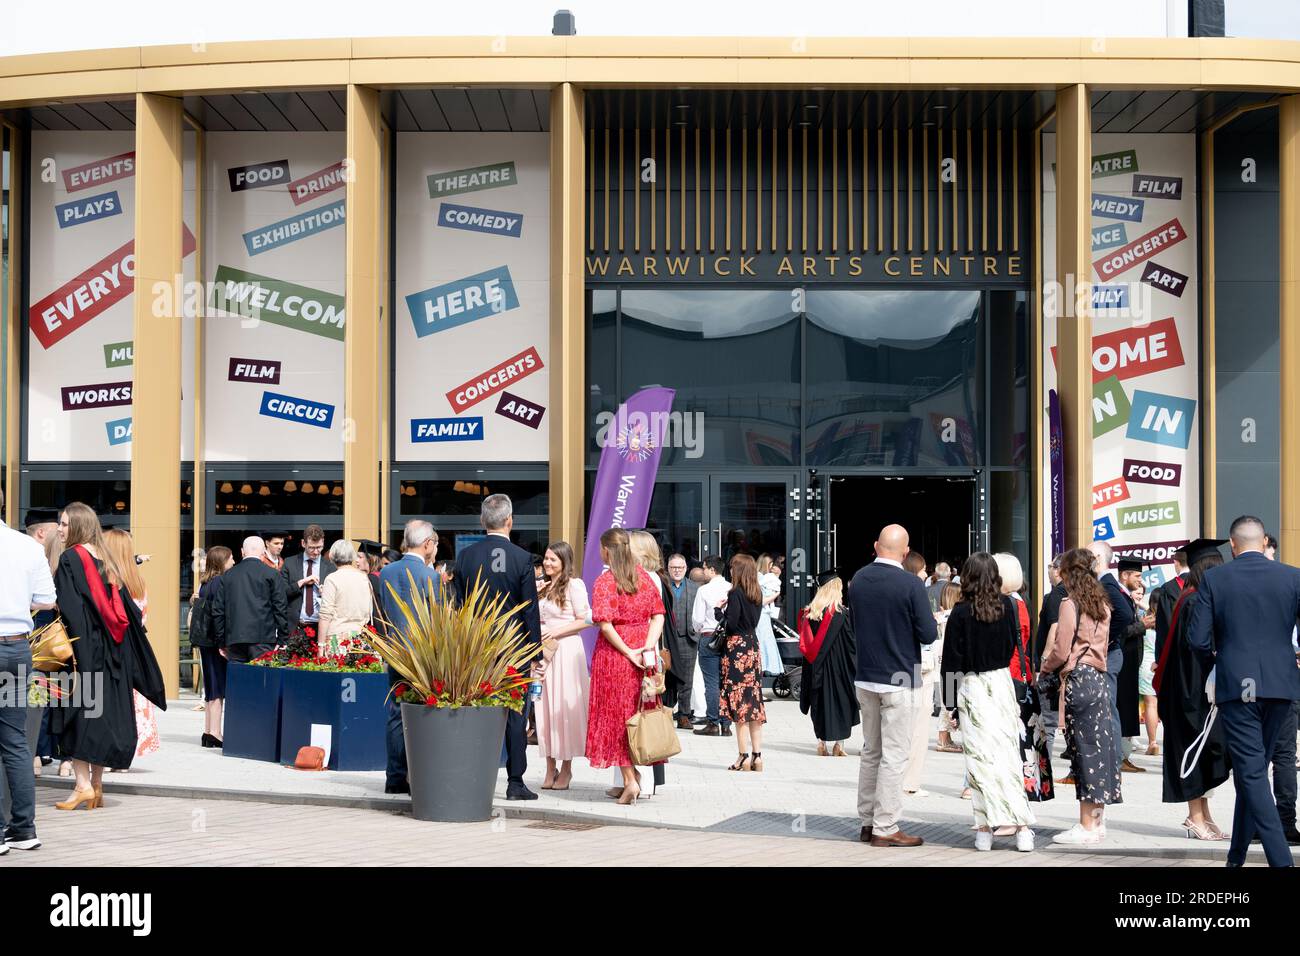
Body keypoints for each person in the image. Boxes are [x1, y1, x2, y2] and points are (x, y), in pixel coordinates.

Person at [1187, 516, 1300, 867]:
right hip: (1281, 684)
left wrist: (1218, 663)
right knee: (1256, 770)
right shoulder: (1293, 576)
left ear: (1233, 545)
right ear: (1264, 542)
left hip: (1238, 684)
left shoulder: (1216, 578)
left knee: (1251, 774)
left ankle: (1281, 861)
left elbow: (1197, 639)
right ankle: (1235, 857)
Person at [49, 502, 167, 812]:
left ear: (77, 526)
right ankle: (97, 785)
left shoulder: (71, 559)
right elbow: (127, 611)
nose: (59, 529)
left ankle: (82, 786)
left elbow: (71, 610)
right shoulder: (107, 559)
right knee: (100, 717)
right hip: (114, 654)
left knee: (78, 716)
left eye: (64, 524)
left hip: (84, 652)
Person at [848, 524, 937, 848]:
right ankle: (885, 825)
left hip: (866, 675)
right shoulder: (911, 584)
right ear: (905, 551)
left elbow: (855, 624)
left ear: (876, 546)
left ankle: (867, 821)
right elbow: (928, 633)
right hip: (900, 677)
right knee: (895, 755)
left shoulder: (858, 579)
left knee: (871, 751)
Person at [939, 553, 1035, 851]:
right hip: (1001, 683)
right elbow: (1013, 647)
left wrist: (950, 703)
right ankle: (1023, 829)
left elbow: (951, 662)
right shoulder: (1007, 606)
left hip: (972, 687)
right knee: (1009, 757)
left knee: (979, 761)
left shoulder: (960, 613)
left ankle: (984, 830)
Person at [453, 495, 542, 801]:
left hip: (476, 648)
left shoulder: (466, 557)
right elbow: (530, 610)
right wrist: (535, 653)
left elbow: (458, 607)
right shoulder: (521, 558)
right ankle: (515, 781)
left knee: (475, 708)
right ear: (510, 521)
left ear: (482, 521)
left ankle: (472, 775)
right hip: (514, 648)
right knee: (516, 713)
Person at [1152, 538, 1230, 840]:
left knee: (1205, 752)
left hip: (1193, 687)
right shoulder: (1194, 601)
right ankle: (1195, 817)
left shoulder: (1193, 597)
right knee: (1194, 750)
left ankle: (1203, 815)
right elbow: (1194, 652)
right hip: (1191, 691)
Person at [1040, 547, 1120, 845]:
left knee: (1083, 751)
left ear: (1067, 573)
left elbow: (1062, 649)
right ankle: (1097, 821)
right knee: (1099, 749)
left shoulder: (1069, 603)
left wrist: (1045, 666)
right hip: (1098, 678)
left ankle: (1086, 826)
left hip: (1078, 679)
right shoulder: (1102, 603)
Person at [585, 528, 665, 805]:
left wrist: (629, 651)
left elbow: (605, 625)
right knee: (636, 714)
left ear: (607, 550)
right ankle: (635, 777)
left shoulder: (605, 581)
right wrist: (647, 647)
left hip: (614, 656)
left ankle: (630, 781)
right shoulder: (643, 577)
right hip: (643, 655)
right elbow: (658, 616)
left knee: (615, 718)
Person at [0, 487, 57, 851]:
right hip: (18, 647)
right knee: (15, 741)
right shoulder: (28, 546)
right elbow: (47, 600)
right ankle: (23, 829)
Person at [377, 520, 440, 795]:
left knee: (395, 712)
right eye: (434, 543)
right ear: (427, 544)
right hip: (422, 654)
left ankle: (395, 777)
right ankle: (420, 776)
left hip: (395, 650)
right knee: (424, 712)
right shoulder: (430, 576)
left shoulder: (386, 572)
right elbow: (437, 620)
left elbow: (384, 610)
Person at [995, 551, 1053, 805]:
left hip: (1010, 676)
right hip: (1020, 674)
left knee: (1013, 738)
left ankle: (1016, 789)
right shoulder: (1020, 602)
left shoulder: (1009, 605)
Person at [535, 541, 590, 791]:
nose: (547, 563)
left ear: (564, 561)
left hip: (566, 650)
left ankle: (566, 767)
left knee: (563, 709)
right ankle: (549, 767)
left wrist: (556, 632)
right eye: (546, 558)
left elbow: (585, 619)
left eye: (552, 559)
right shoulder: (543, 586)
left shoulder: (574, 585)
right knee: (543, 708)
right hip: (543, 652)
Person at [102, 529, 161, 763]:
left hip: (108, 646)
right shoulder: (137, 581)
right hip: (133, 647)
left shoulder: (103, 580)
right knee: (133, 700)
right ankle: (128, 752)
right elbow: (143, 616)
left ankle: (108, 753)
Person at [1088, 541, 1142, 775]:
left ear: (1099, 558)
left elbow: (1125, 614)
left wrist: (1105, 637)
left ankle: (1115, 757)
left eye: (1089, 555)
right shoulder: (1104, 583)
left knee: (1108, 706)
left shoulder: (1108, 584)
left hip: (1109, 653)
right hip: (1110, 651)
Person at [799, 569, 858, 757]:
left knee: (819, 702)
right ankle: (839, 745)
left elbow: (806, 645)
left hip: (816, 668)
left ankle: (821, 743)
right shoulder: (842, 614)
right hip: (839, 668)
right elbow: (851, 644)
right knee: (841, 702)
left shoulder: (809, 614)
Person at [717, 554, 767, 771]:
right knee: (753, 701)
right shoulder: (757, 593)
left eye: (732, 567)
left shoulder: (735, 593)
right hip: (752, 646)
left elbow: (731, 624)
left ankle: (743, 757)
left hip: (737, 649)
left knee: (739, 703)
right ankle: (758, 757)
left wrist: (718, 611)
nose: (730, 570)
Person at [211, 536, 289, 663]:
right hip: (263, 638)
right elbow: (280, 608)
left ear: (242, 551)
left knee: (237, 675)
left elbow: (218, 610)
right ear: (263, 552)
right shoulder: (272, 574)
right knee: (261, 675)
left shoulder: (228, 576)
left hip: (235, 639)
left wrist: (221, 641)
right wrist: (282, 638)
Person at [190, 545, 233, 748]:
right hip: (215, 641)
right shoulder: (220, 582)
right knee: (217, 686)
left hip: (204, 640)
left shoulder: (205, 583)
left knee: (210, 685)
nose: (233, 561)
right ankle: (215, 732)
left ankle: (208, 731)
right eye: (230, 558)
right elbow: (219, 614)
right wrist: (222, 642)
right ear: (222, 561)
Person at [691, 556, 733, 737]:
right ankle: (726, 724)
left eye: (705, 568)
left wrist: (698, 629)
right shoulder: (732, 588)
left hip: (709, 636)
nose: (703, 571)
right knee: (726, 681)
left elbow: (697, 619)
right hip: (728, 638)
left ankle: (713, 722)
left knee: (711, 682)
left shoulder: (704, 590)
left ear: (712, 570)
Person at [315, 540, 374, 654]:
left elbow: (325, 615)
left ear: (332, 556)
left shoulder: (332, 579)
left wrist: (321, 646)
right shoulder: (364, 577)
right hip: (360, 637)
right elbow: (368, 609)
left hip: (337, 638)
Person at [281, 524, 336, 641]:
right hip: (296, 627)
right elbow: (282, 593)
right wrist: (301, 582)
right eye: (311, 548)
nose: (316, 552)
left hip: (322, 629)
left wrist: (325, 593)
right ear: (303, 543)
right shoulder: (289, 563)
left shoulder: (330, 567)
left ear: (323, 542)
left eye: (319, 547)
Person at [662, 553, 698, 728]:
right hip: (666, 639)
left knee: (686, 679)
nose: (677, 570)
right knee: (666, 677)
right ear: (668, 569)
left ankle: (684, 715)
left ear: (686, 568)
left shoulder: (695, 588)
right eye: (673, 567)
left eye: (680, 567)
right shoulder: (662, 585)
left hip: (687, 639)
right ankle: (665, 713)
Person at [1131, 579, 1160, 757]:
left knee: (1150, 704)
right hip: (1161, 664)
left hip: (1145, 667)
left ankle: (1153, 742)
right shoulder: (1168, 619)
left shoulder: (1146, 619)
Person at [933, 582, 963, 754]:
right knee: (948, 702)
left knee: (945, 699)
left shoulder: (938, 616)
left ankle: (946, 738)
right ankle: (943, 739)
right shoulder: (955, 616)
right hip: (950, 661)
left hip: (938, 662)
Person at [754, 554, 784, 681]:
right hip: (762, 614)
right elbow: (763, 600)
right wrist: (777, 594)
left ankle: (763, 668)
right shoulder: (763, 578)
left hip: (760, 614)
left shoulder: (757, 577)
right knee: (765, 641)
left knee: (762, 641)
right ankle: (767, 668)